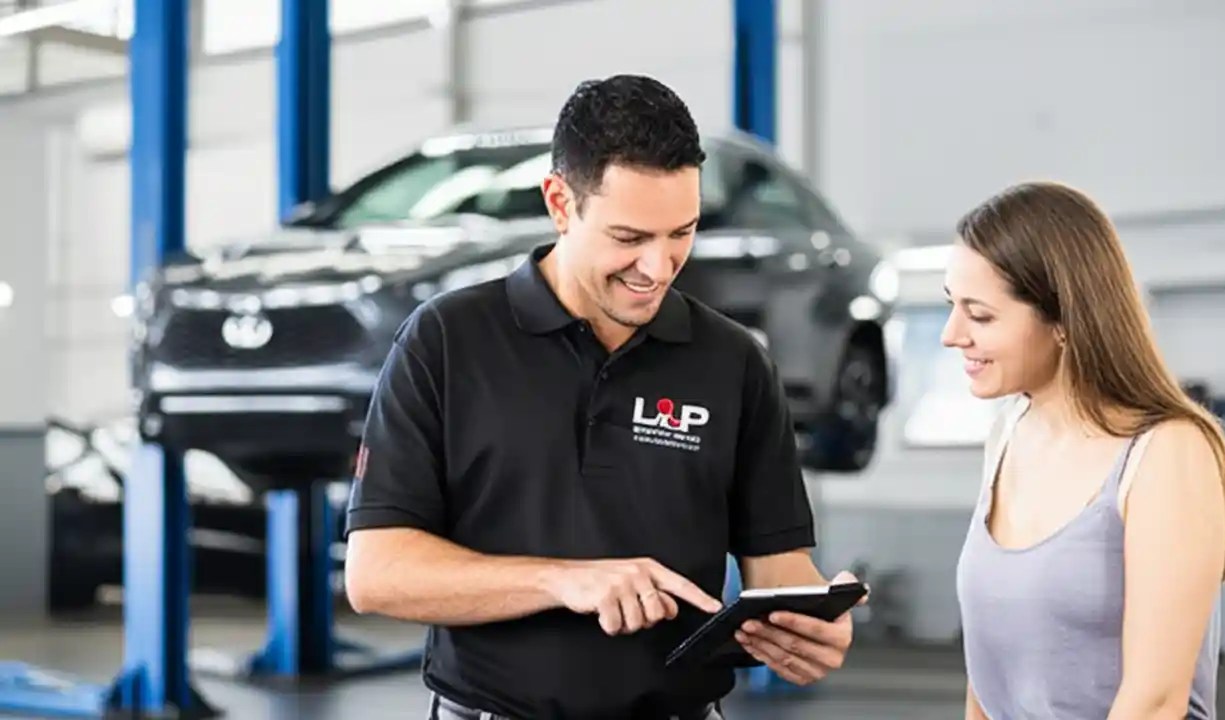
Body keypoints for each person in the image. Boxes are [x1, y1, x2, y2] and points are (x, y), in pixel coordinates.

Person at [342, 74, 859, 720]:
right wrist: (565, 580)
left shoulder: (735, 363)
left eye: (681, 233)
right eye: (629, 238)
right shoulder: (447, 342)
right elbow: (378, 574)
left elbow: (779, 569)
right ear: (560, 203)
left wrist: (810, 623)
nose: (658, 268)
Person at [946, 181, 1225, 719]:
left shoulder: (1167, 452)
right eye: (952, 306)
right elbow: (989, 682)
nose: (952, 334)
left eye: (981, 315)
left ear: (1064, 320)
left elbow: (1154, 701)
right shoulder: (1008, 434)